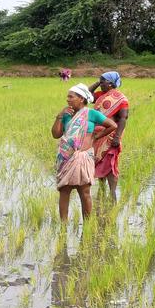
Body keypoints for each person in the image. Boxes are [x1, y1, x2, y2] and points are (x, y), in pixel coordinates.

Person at [52, 84, 118, 222]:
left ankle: (87, 225)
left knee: (85, 192)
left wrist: (95, 137)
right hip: (66, 158)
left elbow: (112, 125)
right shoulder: (66, 115)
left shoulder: (91, 114)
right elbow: (56, 134)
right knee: (64, 191)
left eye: (71, 97)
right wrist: (59, 117)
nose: (68, 99)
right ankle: (63, 226)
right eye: (67, 96)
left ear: (81, 98)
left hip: (84, 157)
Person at [86, 71, 131, 201]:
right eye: (100, 81)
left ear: (111, 83)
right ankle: (102, 187)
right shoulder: (101, 95)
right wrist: (98, 82)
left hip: (111, 135)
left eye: (103, 81)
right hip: (97, 135)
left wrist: (117, 137)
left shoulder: (121, 99)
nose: (101, 83)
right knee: (98, 162)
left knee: (110, 165)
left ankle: (112, 192)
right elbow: (87, 95)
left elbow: (123, 118)